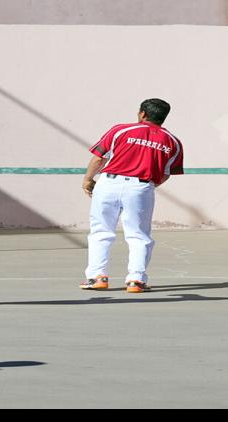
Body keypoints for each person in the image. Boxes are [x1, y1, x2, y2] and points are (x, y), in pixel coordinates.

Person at [80, 98, 184, 294]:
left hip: (108, 183)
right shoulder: (173, 141)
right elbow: (166, 173)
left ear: (142, 113)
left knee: (100, 231)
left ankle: (97, 278)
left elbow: (99, 158)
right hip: (141, 187)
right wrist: (145, 187)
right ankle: (136, 280)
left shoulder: (121, 130)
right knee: (138, 235)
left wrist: (87, 179)